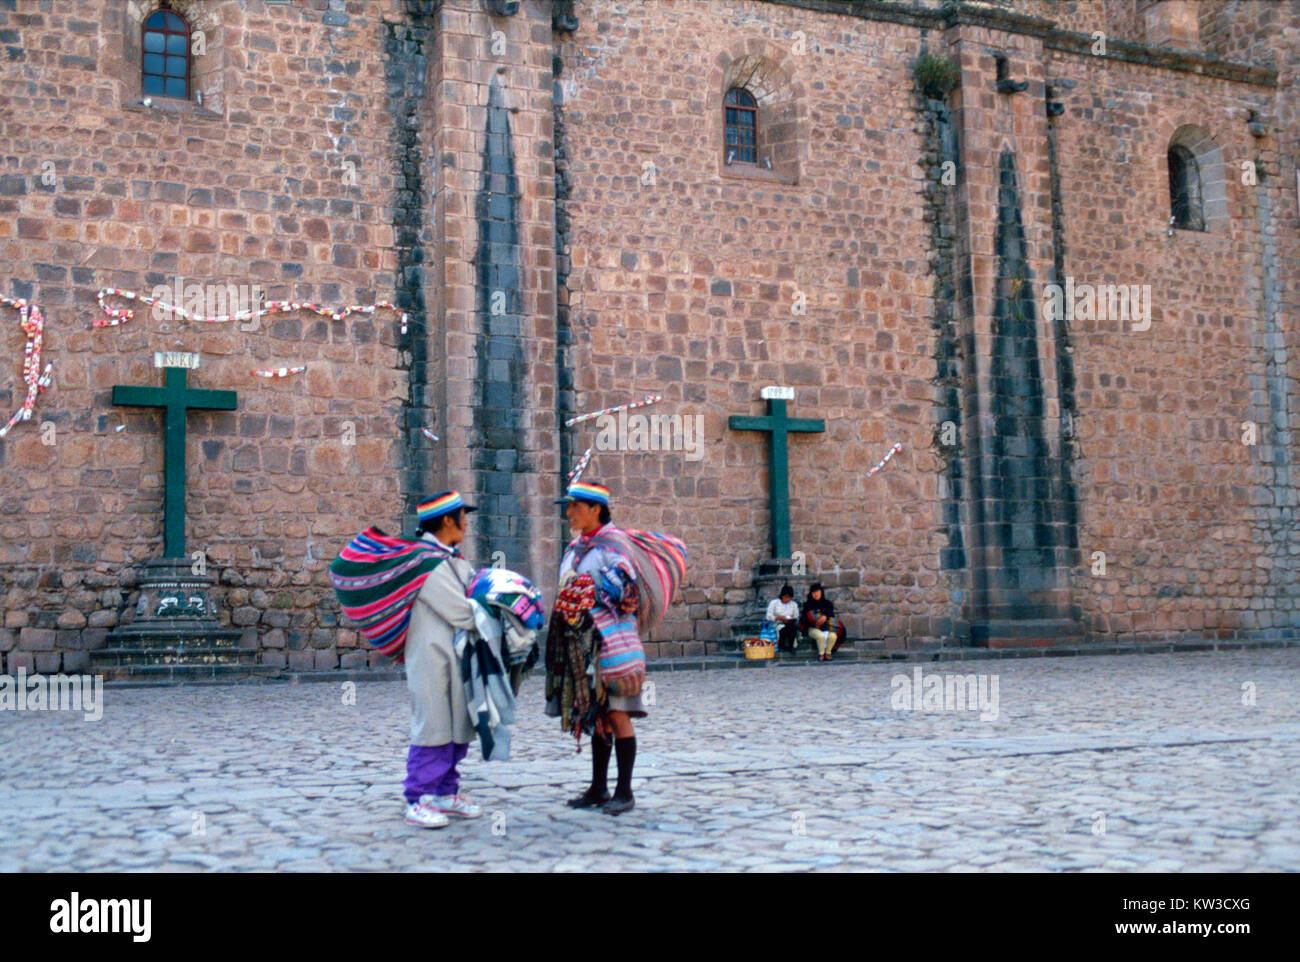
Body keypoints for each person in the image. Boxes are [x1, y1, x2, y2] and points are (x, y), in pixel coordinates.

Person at [545, 480, 686, 816]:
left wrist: (587, 588)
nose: (569, 513)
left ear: (596, 509)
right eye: (569, 507)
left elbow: (627, 593)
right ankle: (598, 787)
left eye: (575, 506)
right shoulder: (577, 548)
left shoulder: (614, 547)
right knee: (597, 715)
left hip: (614, 647)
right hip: (584, 646)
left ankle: (624, 791)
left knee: (619, 714)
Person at [401, 491, 486, 828]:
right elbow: (461, 609)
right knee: (433, 725)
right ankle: (416, 798)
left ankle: (445, 793)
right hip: (432, 656)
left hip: (453, 655)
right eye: (463, 516)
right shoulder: (427, 561)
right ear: (448, 520)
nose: (466, 522)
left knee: (455, 725)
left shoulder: (451, 558)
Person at [802, 581, 838, 662]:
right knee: (820, 636)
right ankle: (821, 654)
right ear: (811, 594)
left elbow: (831, 614)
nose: (816, 594)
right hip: (813, 628)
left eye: (817, 592)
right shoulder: (808, 605)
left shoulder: (827, 603)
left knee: (833, 636)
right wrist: (814, 621)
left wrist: (825, 616)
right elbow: (804, 619)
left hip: (826, 627)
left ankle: (828, 653)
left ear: (821, 592)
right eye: (814, 592)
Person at [765, 584, 800, 653]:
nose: (787, 599)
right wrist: (778, 618)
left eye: (789, 597)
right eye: (786, 597)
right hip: (777, 623)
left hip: (789, 624)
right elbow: (768, 615)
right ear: (782, 595)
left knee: (792, 628)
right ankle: (781, 646)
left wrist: (790, 619)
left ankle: (791, 646)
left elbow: (796, 616)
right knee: (782, 629)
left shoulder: (793, 605)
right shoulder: (774, 603)